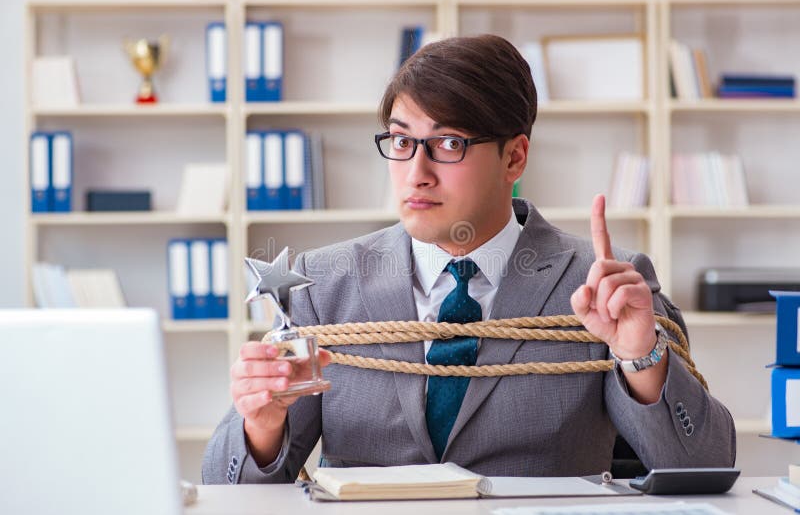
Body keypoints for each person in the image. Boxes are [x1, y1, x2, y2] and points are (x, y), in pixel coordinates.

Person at [202, 34, 735, 484]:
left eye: (450, 144)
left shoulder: (604, 284)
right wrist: (262, 427)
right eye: (401, 141)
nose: (417, 172)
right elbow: (227, 487)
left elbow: (705, 469)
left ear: (515, 157)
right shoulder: (321, 285)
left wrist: (640, 356)